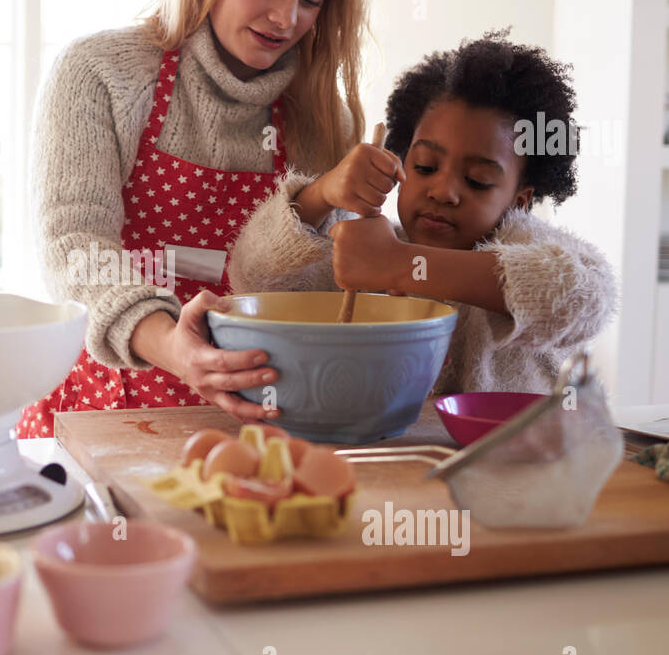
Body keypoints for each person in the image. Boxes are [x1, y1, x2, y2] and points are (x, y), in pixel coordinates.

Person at [16, 0, 372, 438]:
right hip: (104, 414)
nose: (286, 18)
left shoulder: (322, 117)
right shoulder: (100, 73)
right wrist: (176, 350)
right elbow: (76, 248)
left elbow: (315, 298)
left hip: (262, 422)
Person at [227, 32, 619, 393]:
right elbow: (254, 277)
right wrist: (320, 194)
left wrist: (403, 265)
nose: (443, 191)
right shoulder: (368, 251)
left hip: (521, 463)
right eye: (426, 167)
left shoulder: (522, 243)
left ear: (519, 200)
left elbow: (586, 294)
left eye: (478, 180)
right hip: (398, 462)